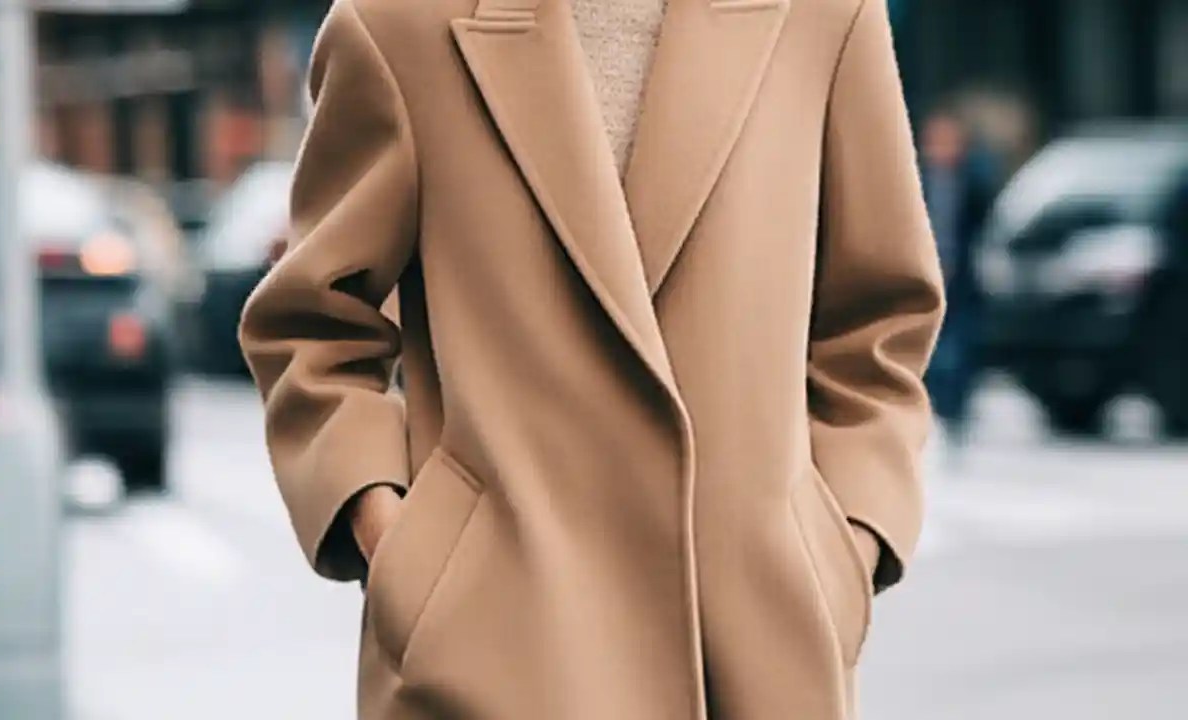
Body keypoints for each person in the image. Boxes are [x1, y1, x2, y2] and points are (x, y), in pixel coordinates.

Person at [238, 0, 944, 716]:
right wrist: (397, 546)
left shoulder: (822, 15)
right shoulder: (400, 22)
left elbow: (879, 320)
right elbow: (315, 325)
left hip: (755, 647)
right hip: (494, 657)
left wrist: (844, 547)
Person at [919, 107, 994, 458]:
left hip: (963, 278)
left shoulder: (973, 180)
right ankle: (937, 403)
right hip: (926, 275)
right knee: (930, 348)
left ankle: (955, 409)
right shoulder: (917, 178)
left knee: (961, 346)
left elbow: (987, 227)